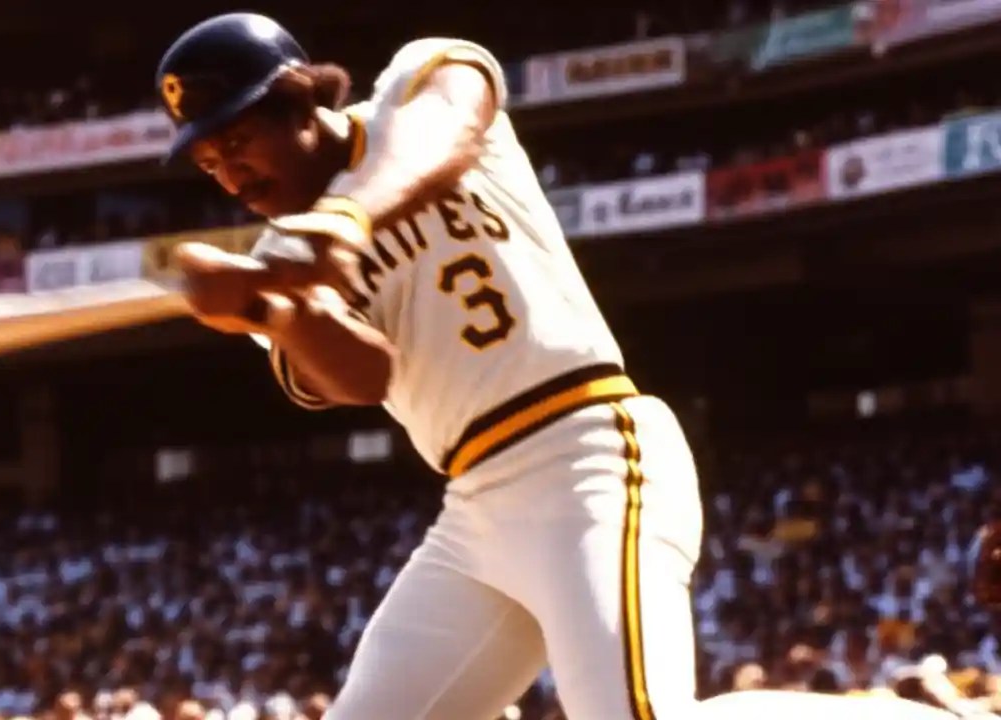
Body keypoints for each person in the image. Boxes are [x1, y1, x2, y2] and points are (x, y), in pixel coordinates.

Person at [153, 12, 974, 720]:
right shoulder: (278, 257)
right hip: (475, 510)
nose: (230, 173)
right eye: (209, 162)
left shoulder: (414, 88)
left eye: (237, 140)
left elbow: (454, 126)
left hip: (590, 456)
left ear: (299, 98)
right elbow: (362, 377)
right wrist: (271, 309)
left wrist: (343, 221)